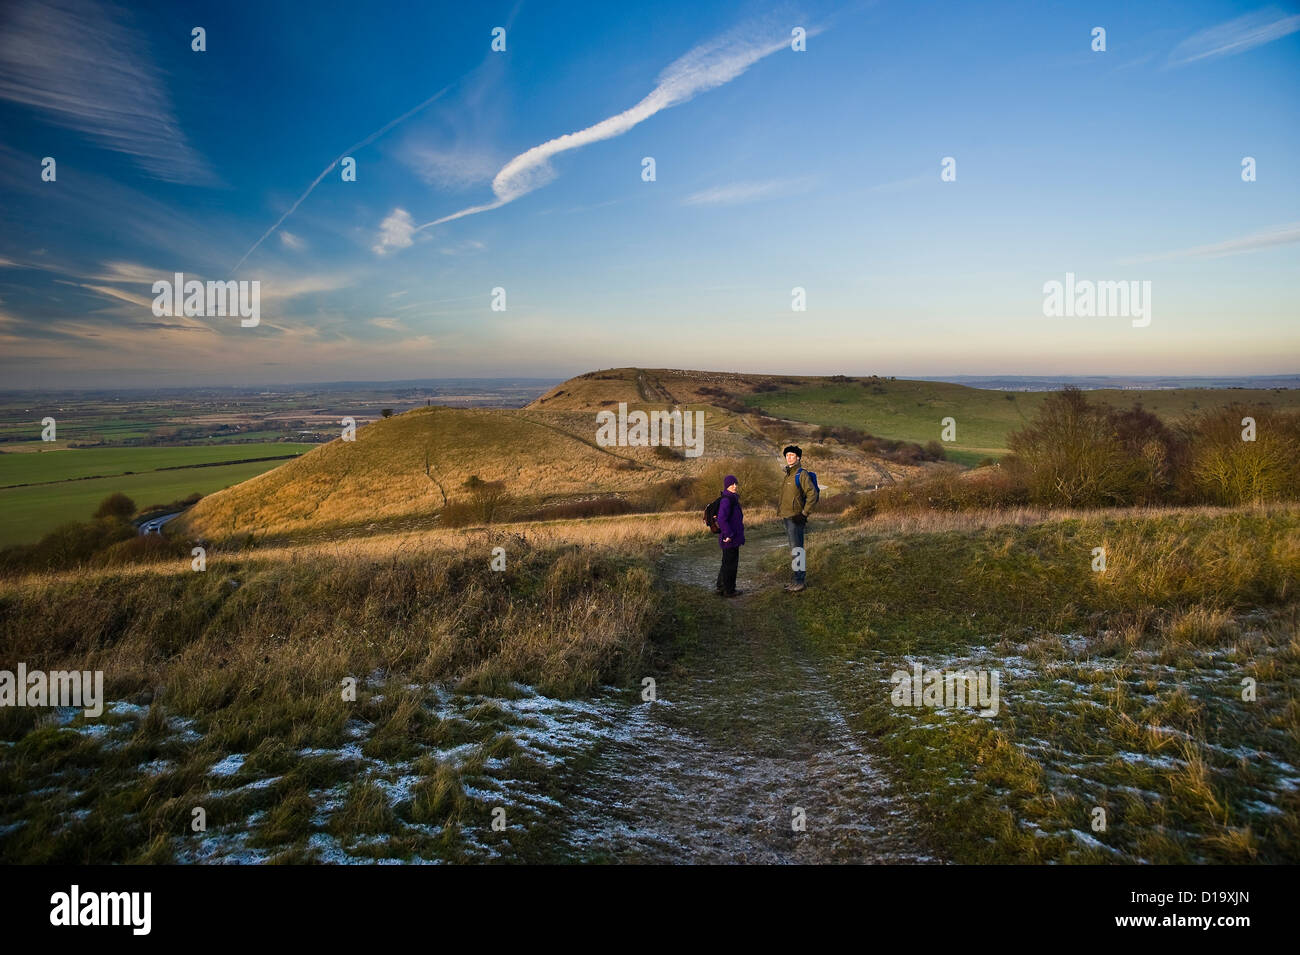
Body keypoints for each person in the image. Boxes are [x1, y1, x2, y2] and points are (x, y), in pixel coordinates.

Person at [777, 445, 818, 592]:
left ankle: (800, 582)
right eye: (787, 455)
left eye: (792, 455)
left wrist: (804, 514)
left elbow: (812, 494)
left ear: (798, 458)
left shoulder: (801, 474)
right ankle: (796, 580)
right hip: (787, 517)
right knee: (794, 550)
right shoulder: (788, 474)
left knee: (797, 550)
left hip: (796, 518)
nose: (789, 457)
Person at [715, 474, 745, 597]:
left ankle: (721, 587)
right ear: (726, 486)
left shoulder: (732, 498)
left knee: (726, 563)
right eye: (731, 484)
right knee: (731, 565)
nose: (734, 486)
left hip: (731, 537)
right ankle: (729, 590)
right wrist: (729, 534)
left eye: (735, 483)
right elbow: (722, 519)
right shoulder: (727, 499)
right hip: (730, 538)